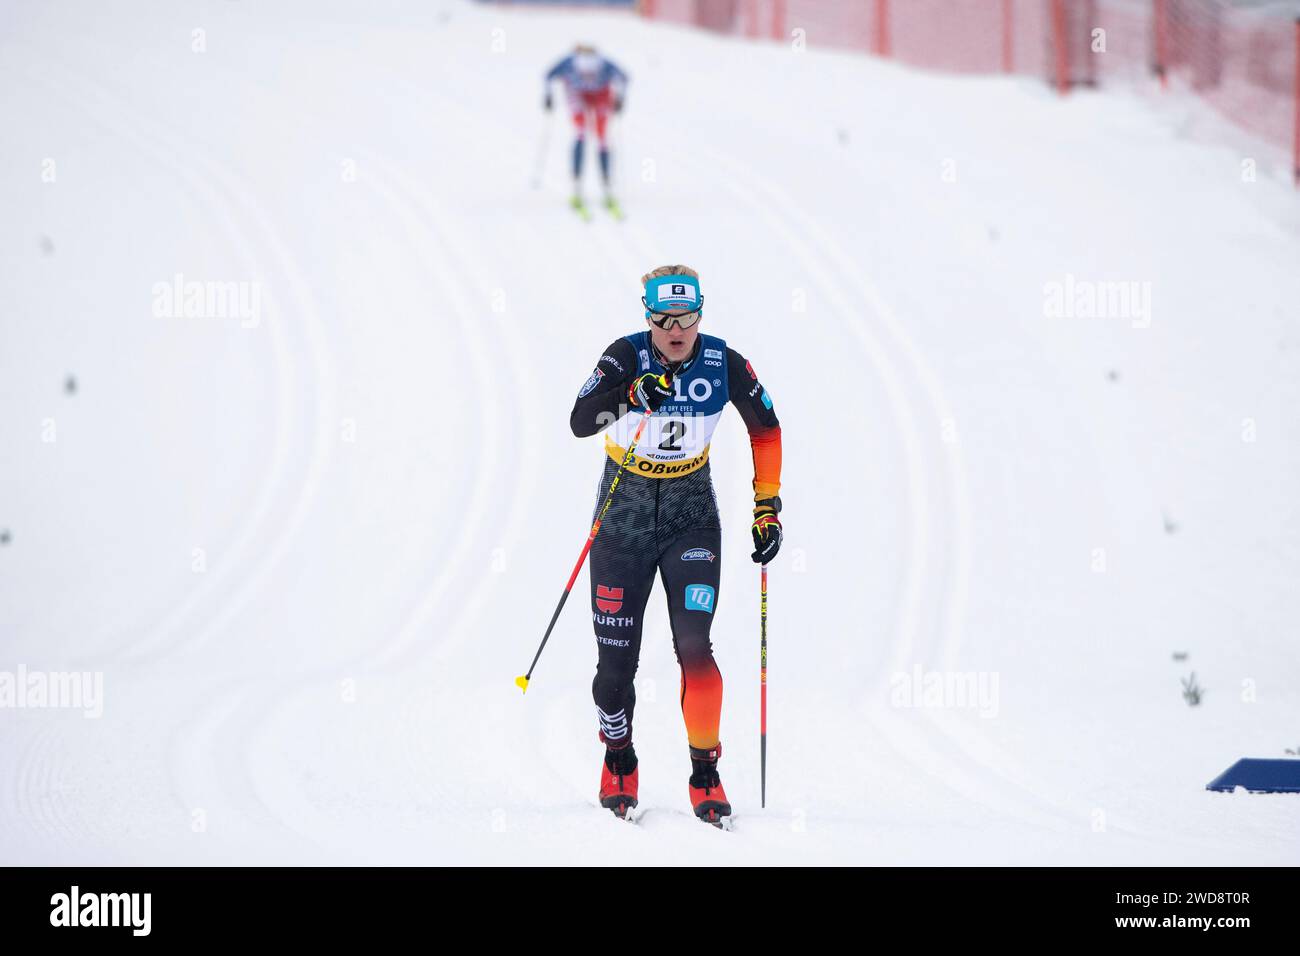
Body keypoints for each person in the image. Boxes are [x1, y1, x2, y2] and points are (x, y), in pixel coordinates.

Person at [569, 265, 784, 824]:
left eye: (687, 317)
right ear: (648, 317)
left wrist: (767, 506)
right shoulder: (625, 355)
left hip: (691, 517)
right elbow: (580, 420)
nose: (676, 329)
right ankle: (619, 758)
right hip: (623, 518)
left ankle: (705, 772)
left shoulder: (721, 362)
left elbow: (766, 429)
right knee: (615, 668)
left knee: (695, 645)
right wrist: (630, 394)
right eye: (664, 318)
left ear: (700, 315)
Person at [543, 43, 628, 217]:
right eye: (584, 74)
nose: (588, 77)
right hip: (577, 94)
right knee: (580, 134)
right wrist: (548, 95)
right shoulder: (569, 63)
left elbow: (624, 77)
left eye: (592, 74)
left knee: (602, 138)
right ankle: (576, 185)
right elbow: (548, 75)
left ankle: (606, 185)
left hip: (601, 96)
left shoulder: (604, 64)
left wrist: (620, 97)